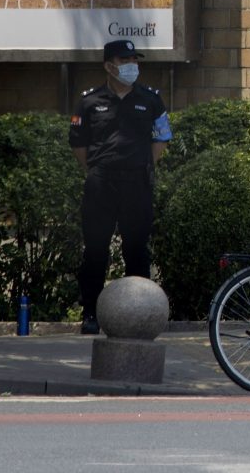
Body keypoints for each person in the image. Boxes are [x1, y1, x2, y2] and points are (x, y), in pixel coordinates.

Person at [69, 39, 172, 335]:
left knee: (137, 249)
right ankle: (90, 314)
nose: (132, 66)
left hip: (136, 182)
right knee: (96, 251)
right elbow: (79, 145)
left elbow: (161, 138)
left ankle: (138, 315)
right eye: (125, 61)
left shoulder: (150, 99)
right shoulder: (89, 101)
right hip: (101, 183)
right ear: (108, 65)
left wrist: (143, 166)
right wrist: (97, 170)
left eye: (134, 61)